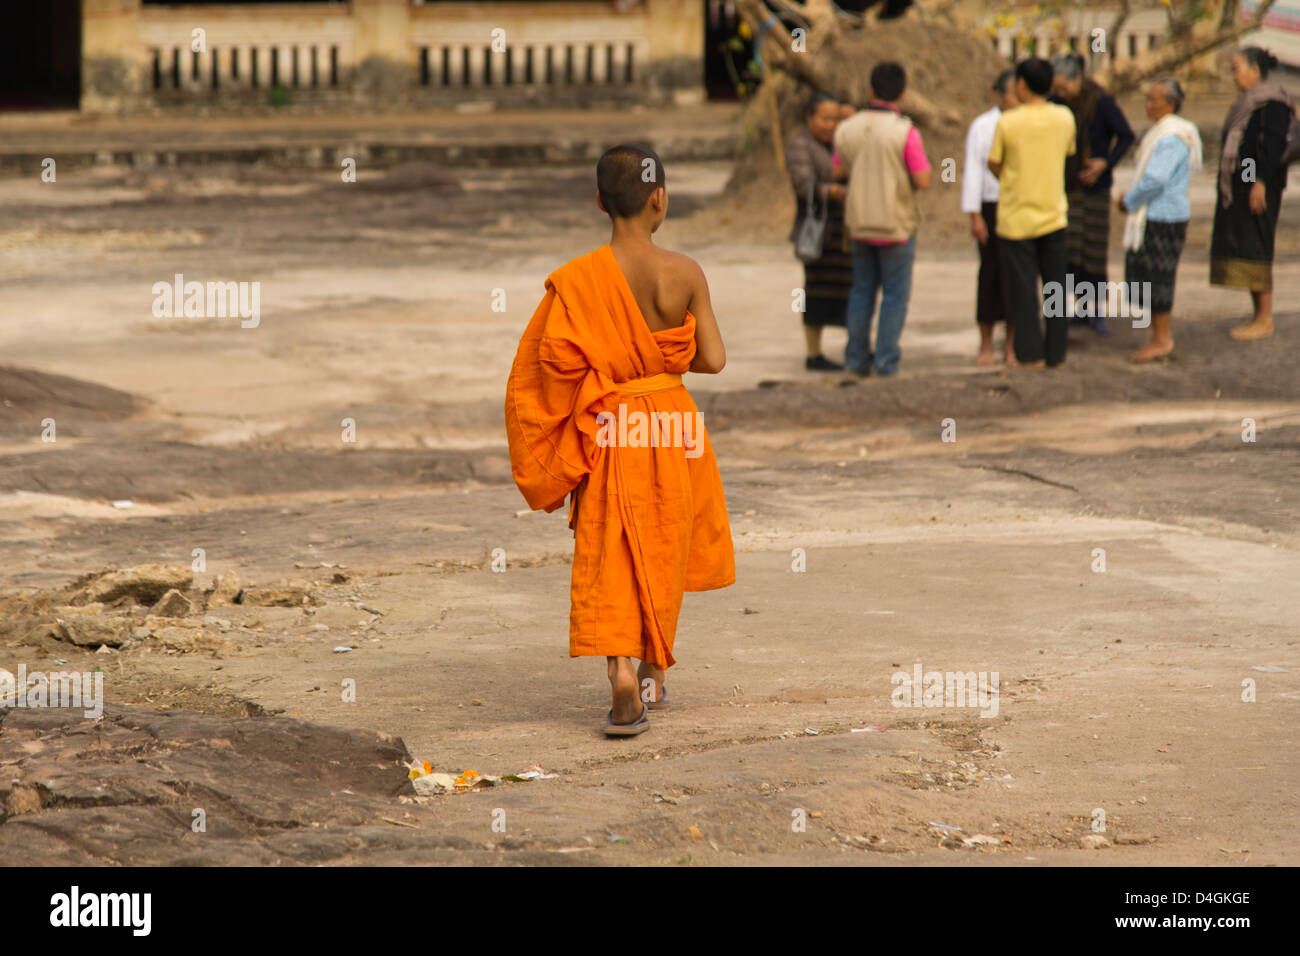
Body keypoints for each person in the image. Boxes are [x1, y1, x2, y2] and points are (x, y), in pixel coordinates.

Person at [504, 144, 736, 736]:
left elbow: (548, 368)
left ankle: (622, 674)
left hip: (611, 426)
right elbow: (712, 359)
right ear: (660, 199)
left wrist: (607, 370)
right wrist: (660, 361)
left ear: (600, 202)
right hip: (673, 426)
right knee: (664, 538)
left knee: (612, 544)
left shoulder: (578, 281)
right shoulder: (685, 272)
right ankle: (656, 666)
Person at [833, 61, 932, 377]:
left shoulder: (846, 128)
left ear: (870, 90)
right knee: (894, 295)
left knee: (861, 290)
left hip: (859, 223)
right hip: (896, 225)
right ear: (902, 94)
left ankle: (855, 360)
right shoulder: (905, 132)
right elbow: (923, 180)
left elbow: (837, 172)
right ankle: (886, 361)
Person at [987, 57, 1076, 368]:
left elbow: (994, 162)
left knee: (1023, 291)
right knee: (1055, 287)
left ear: (1021, 85)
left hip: (1016, 217)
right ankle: (1056, 351)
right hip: (1053, 213)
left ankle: (1030, 354)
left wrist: (1014, 177)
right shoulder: (1064, 117)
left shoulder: (1008, 121)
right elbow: (1068, 153)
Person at [1211, 46, 1295, 341]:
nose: (1234, 76)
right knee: (1246, 245)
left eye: (1237, 68)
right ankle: (1257, 314)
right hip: (1249, 184)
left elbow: (1269, 147)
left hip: (1264, 186)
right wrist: (1245, 181)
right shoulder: (1249, 103)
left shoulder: (1272, 103)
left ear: (1255, 69)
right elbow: (1248, 151)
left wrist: (1258, 181)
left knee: (1258, 244)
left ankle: (1264, 318)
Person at [1118, 78, 1203, 363]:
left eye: (1154, 100)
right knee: (1150, 276)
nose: (1148, 105)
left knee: (1159, 277)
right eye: (1148, 99)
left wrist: (1129, 201)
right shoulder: (1165, 133)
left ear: (1170, 103)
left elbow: (1155, 179)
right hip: (1158, 213)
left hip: (1163, 214)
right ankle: (1157, 335)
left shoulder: (1172, 136)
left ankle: (1162, 338)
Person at [1051, 53, 1135, 336]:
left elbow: (1126, 135)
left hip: (1096, 190)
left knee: (1094, 250)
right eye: (1056, 89)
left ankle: (1096, 311)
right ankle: (1075, 309)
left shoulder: (1101, 102)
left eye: (1064, 88)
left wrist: (1105, 164)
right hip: (1066, 187)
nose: (1059, 93)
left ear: (1078, 80)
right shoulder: (1056, 104)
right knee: (1068, 250)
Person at [786, 91, 850, 371]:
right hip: (817, 231)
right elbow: (803, 184)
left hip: (844, 231)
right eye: (824, 118)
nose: (830, 125)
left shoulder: (842, 141)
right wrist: (836, 191)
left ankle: (854, 348)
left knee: (849, 288)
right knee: (815, 290)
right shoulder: (799, 145)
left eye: (835, 119)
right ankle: (814, 354)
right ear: (809, 117)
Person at [963, 69, 1019, 366]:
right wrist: (975, 217)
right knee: (989, 275)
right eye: (1011, 93)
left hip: (1019, 205)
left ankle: (1011, 345)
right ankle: (986, 344)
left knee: (1015, 276)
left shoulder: (1025, 122)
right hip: (990, 205)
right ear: (998, 94)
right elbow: (973, 172)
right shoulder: (983, 126)